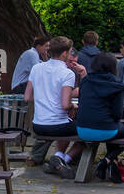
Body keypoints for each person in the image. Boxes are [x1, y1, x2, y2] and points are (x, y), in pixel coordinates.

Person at [25, 36, 83, 177]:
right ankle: (64, 159)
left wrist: (44, 98)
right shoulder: (67, 73)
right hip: (57, 125)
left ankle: (58, 159)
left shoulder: (37, 68)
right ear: (64, 54)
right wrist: (73, 106)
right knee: (90, 130)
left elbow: (27, 97)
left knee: (67, 123)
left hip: (38, 124)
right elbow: (64, 105)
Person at [75, 53, 124, 175]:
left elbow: (81, 102)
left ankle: (111, 164)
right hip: (106, 130)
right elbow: (117, 113)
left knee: (112, 126)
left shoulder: (86, 81)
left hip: (82, 128)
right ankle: (107, 159)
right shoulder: (117, 84)